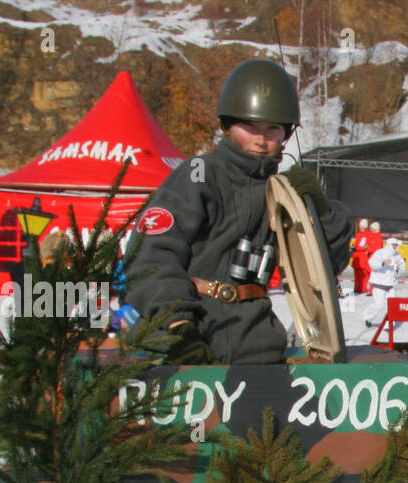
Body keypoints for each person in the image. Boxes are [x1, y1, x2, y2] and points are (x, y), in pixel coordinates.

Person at [124, 59, 352, 364]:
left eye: (272, 129)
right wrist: (179, 327)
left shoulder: (282, 194)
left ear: (285, 134)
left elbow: (324, 268)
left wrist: (319, 212)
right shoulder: (198, 174)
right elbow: (151, 257)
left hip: (257, 347)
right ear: (227, 125)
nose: (261, 139)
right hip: (186, 341)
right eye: (250, 127)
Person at [362, 236, 405, 328]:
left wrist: (398, 269)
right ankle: (368, 317)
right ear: (389, 244)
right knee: (379, 304)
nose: (394, 247)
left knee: (391, 305)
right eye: (393, 245)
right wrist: (382, 262)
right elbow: (371, 263)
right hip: (379, 283)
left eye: (396, 245)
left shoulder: (398, 256)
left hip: (391, 284)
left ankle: (389, 324)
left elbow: (402, 268)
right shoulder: (380, 253)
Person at [350, 218, 376, 295]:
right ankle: (357, 288)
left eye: (362, 226)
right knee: (357, 274)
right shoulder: (359, 234)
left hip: (361, 256)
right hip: (357, 256)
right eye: (360, 225)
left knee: (362, 274)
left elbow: (363, 246)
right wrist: (353, 246)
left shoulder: (366, 235)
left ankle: (362, 288)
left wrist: (356, 247)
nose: (360, 227)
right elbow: (358, 244)